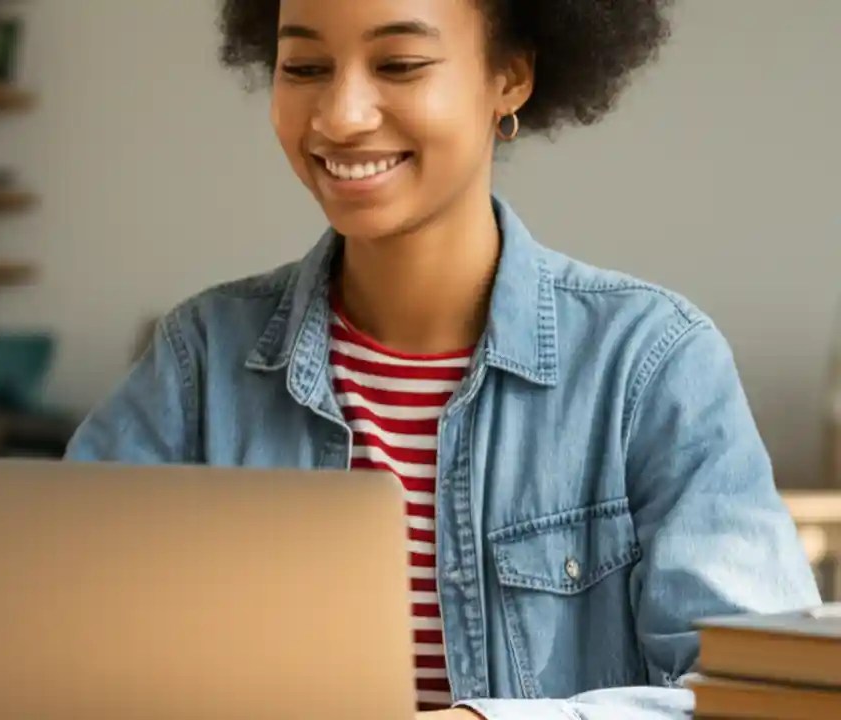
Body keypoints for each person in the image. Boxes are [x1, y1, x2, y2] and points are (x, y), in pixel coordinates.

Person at [65, 0, 822, 717]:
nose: (339, 115)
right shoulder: (198, 362)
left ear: (510, 77)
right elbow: (53, 639)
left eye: (397, 64)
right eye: (303, 68)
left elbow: (767, 695)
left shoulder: (651, 364)